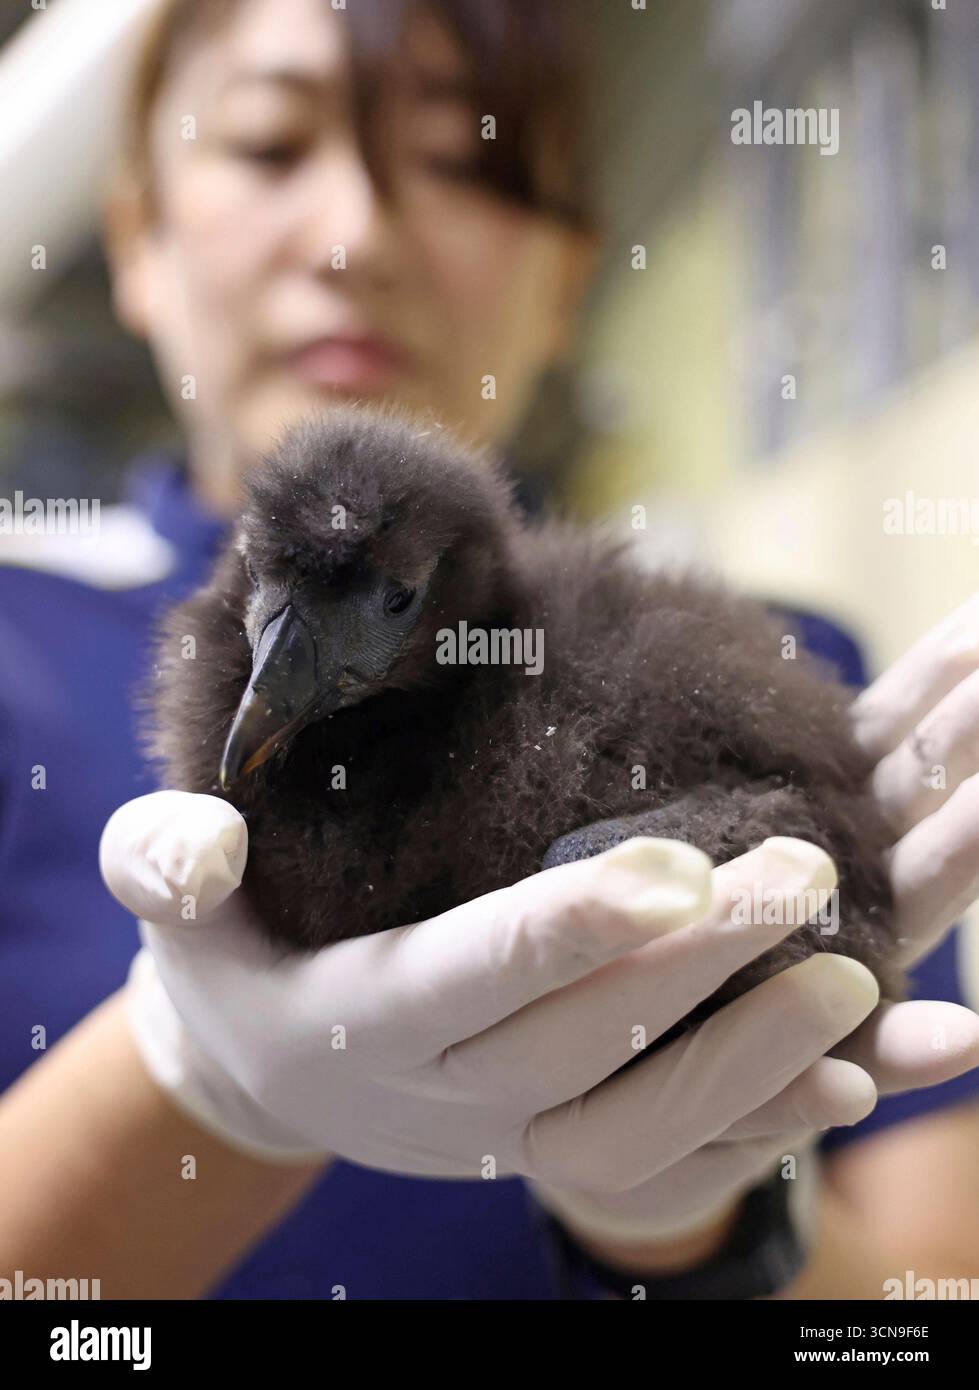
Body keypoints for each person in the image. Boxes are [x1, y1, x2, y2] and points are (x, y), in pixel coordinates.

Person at [2, 0, 979, 1300]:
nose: (353, 237)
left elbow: (926, 1307)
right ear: (138, 233)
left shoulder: (772, 661)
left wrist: (694, 1227)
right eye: (269, 144)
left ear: (569, 274)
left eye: (463, 159)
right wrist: (196, 1083)